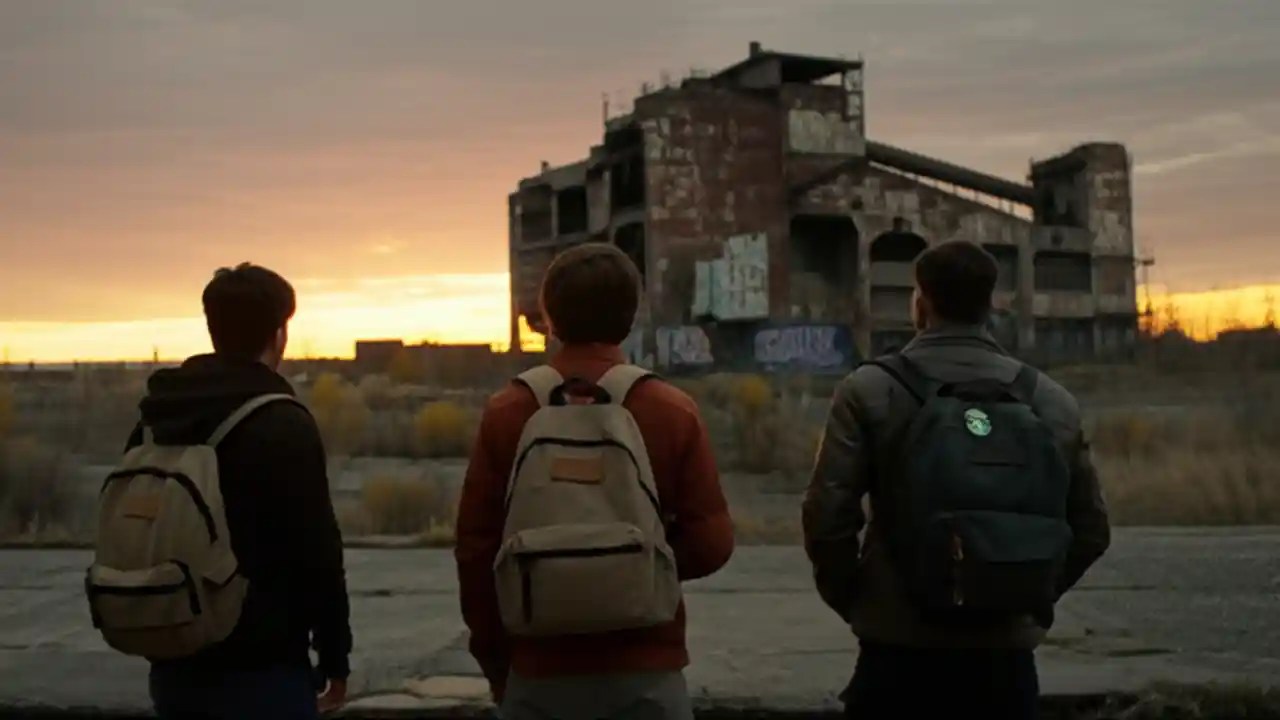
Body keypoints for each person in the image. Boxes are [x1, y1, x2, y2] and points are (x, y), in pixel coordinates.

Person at [802, 241, 1111, 719]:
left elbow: (827, 518)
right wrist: (1021, 589)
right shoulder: (1050, 401)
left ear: (920, 301)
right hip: (1004, 660)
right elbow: (1091, 529)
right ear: (991, 304)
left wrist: (863, 602)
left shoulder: (870, 390)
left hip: (897, 654)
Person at [455, 242, 735, 720]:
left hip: (538, 674)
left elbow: (476, 552)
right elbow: (713, 544)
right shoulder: (670, 410)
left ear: (549, 316)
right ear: (632, 314)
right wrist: (630, 571)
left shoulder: (509, 412)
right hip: (646, 674)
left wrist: (498, 660)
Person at [126, 263, 352, 719]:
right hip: (263, 667)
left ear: (213, 329)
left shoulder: (155, 419)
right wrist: (335, 656)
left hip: (174, 653)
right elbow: (317, 551)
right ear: (278, 334)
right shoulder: (280, 421)